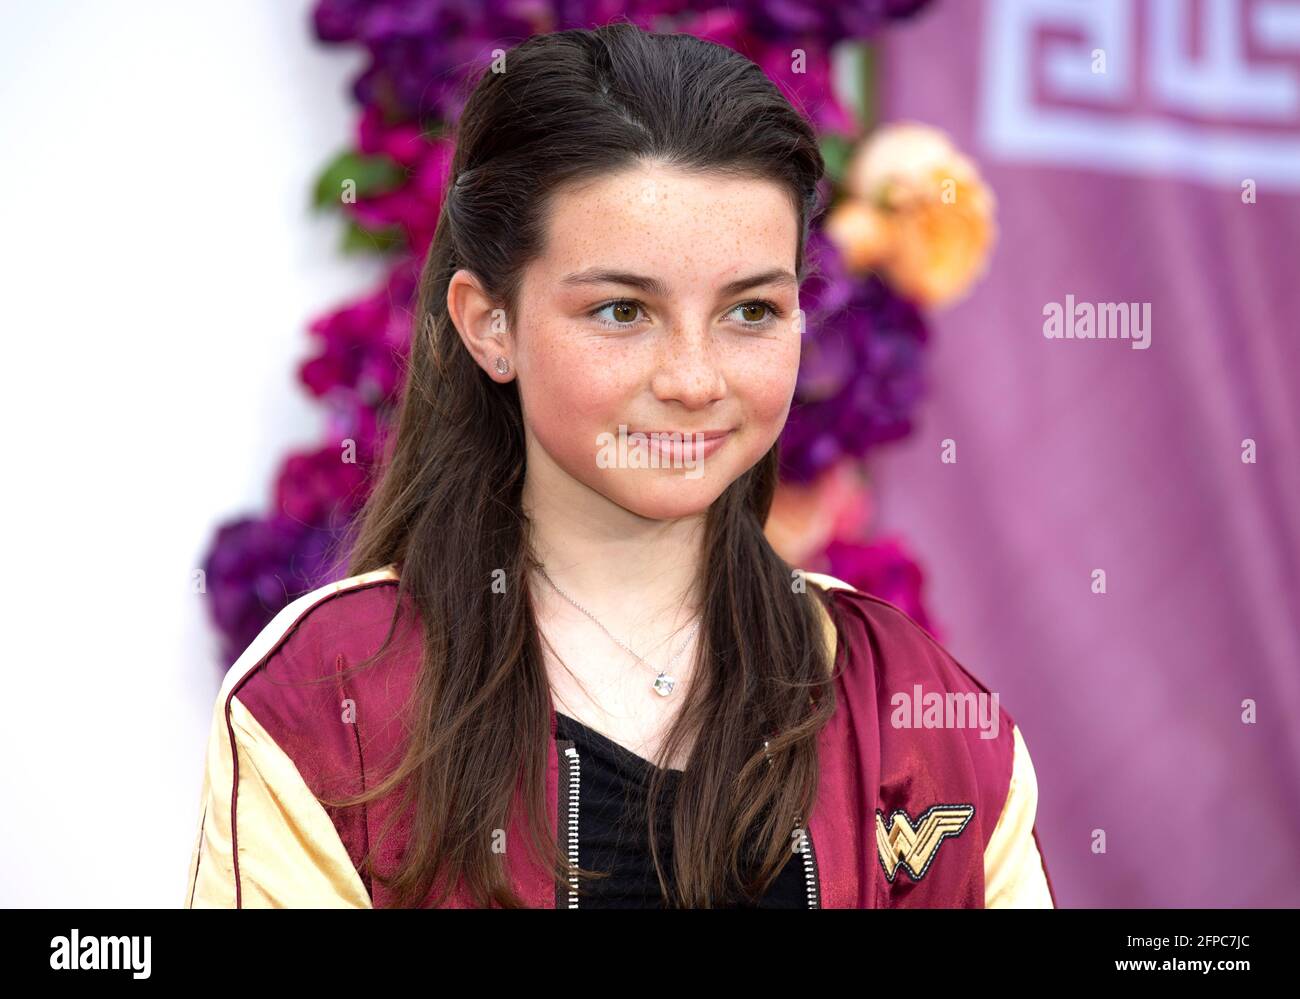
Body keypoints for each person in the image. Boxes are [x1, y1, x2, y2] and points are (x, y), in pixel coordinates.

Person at [184, 21, 1056, 909]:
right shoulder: (330, 704)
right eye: (621, 311)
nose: (692, 377)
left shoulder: (923, 718)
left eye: (751, 310)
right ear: (489, 323)